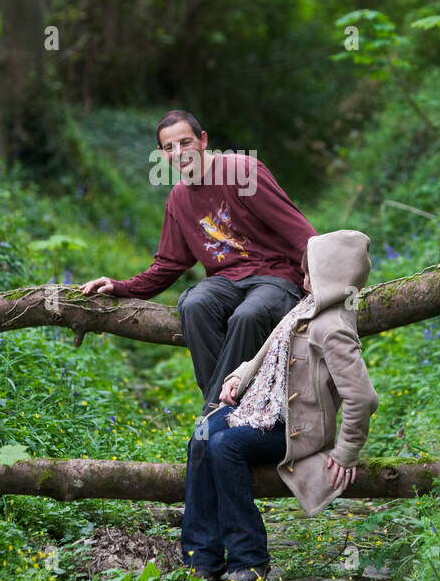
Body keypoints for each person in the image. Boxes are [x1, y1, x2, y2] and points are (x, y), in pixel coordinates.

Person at [180, 229, 378, 581]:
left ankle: (249, 557)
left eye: (309, 274)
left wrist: (347, 450)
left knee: (226, 446)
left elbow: (362, 397)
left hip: (296, 428)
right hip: (264, 409)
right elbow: (269, 349)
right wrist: (240, 377)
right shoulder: (305, 309)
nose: (302, 282)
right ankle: (200, 557)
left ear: (332, 274)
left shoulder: (333, 327)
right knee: (203, 434)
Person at [80, 110, 316, 409]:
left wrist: (322, 278)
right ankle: (236, 407)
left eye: (185, 142)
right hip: (226, 281)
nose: (179, 153)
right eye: (169, 148)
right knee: (194, 304)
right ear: (161, 154)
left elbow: (299, 230)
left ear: (203, 141)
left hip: (276, 276)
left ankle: (215, 412)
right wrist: (121, 286)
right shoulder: (179, 198)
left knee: (248, 315)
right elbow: (169, 264)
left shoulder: (242, 172)